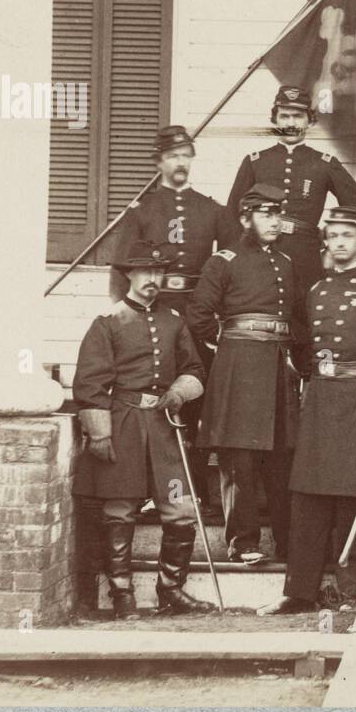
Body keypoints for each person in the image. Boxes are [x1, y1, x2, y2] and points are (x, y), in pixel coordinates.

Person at [260, 207, 356, 616]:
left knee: (355, 494)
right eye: (334, 235)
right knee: (308, 493)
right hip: (321, 398)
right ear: (325, 241)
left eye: (348, 235)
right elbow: (304, 348)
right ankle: (300, 591)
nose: (340, 242)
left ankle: (349, 591)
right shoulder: (316, 291)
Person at [73, 240, 211, 619]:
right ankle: (122, 594)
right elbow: (89, 383)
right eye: (145, 272)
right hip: (124, 425)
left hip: (166, 427)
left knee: (180, 510)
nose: (153, 279)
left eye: (158, 272)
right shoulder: (109, 322)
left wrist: (179, 392)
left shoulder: (173, 321)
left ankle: (171, 590)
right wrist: (99, 433)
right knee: (120, 511)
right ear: (129, 275)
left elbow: (195, 370)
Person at [109, 124, 235, 514]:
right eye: (173, 156)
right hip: (154, 314)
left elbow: (232, 263)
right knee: (155, 396)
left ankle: (195, 491)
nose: (180, 163)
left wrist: (218, 316)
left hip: (197, 317)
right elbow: (120, 270)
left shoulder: (211, 209)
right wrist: (123, 317)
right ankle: (152, 489)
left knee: (195, 402)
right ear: (159, 162)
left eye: (186, 156)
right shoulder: (141, 210)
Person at [189, 183, 304, 565]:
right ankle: (244, 543)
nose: (275, 220)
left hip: (278, 366)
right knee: (240, 457)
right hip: (239, 367)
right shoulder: (224, 260)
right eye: (266, 213)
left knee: (281, 457)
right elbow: (200, 316)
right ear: (245, 218)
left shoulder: (285, 263)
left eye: (278, 213)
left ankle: (290, 543)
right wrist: (229, 350)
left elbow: (294, 319)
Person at [225, 85, 356, 297]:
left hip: (305, 256)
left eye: (298, 116)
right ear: (275, 120)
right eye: (284, 116)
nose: (291, 123)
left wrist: (333, 248)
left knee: (304, 318)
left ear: (309, 121)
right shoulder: (255, 162)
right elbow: (232, 215)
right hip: (259, 255)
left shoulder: (324, 163)